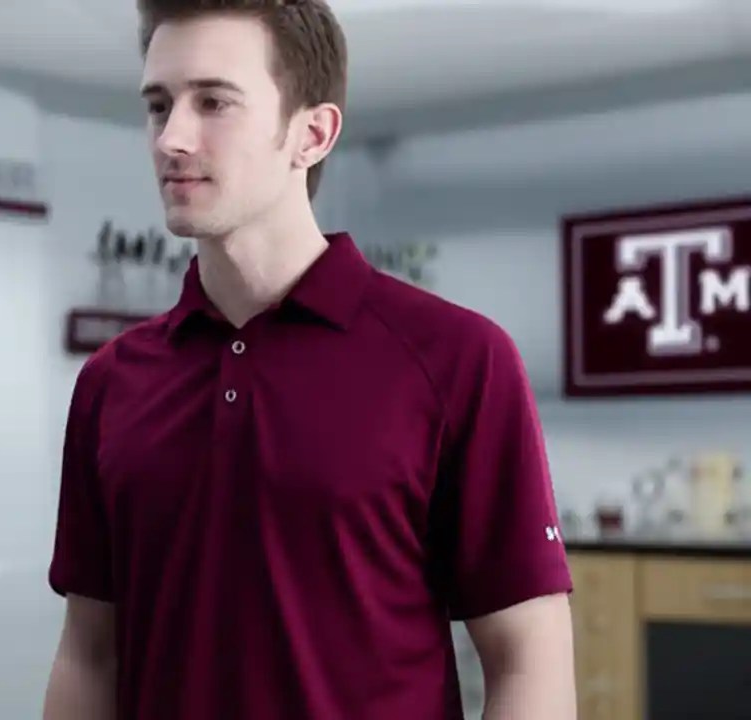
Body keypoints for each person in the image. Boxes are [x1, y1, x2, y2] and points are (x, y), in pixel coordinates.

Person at [42, 1, 576, 718]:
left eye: (213, 102)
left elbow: (528, 657)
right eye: (159, 105)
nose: (172, 137)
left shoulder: (459, 360)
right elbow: (89, 651)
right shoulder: (112, 383)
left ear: (312, 134)